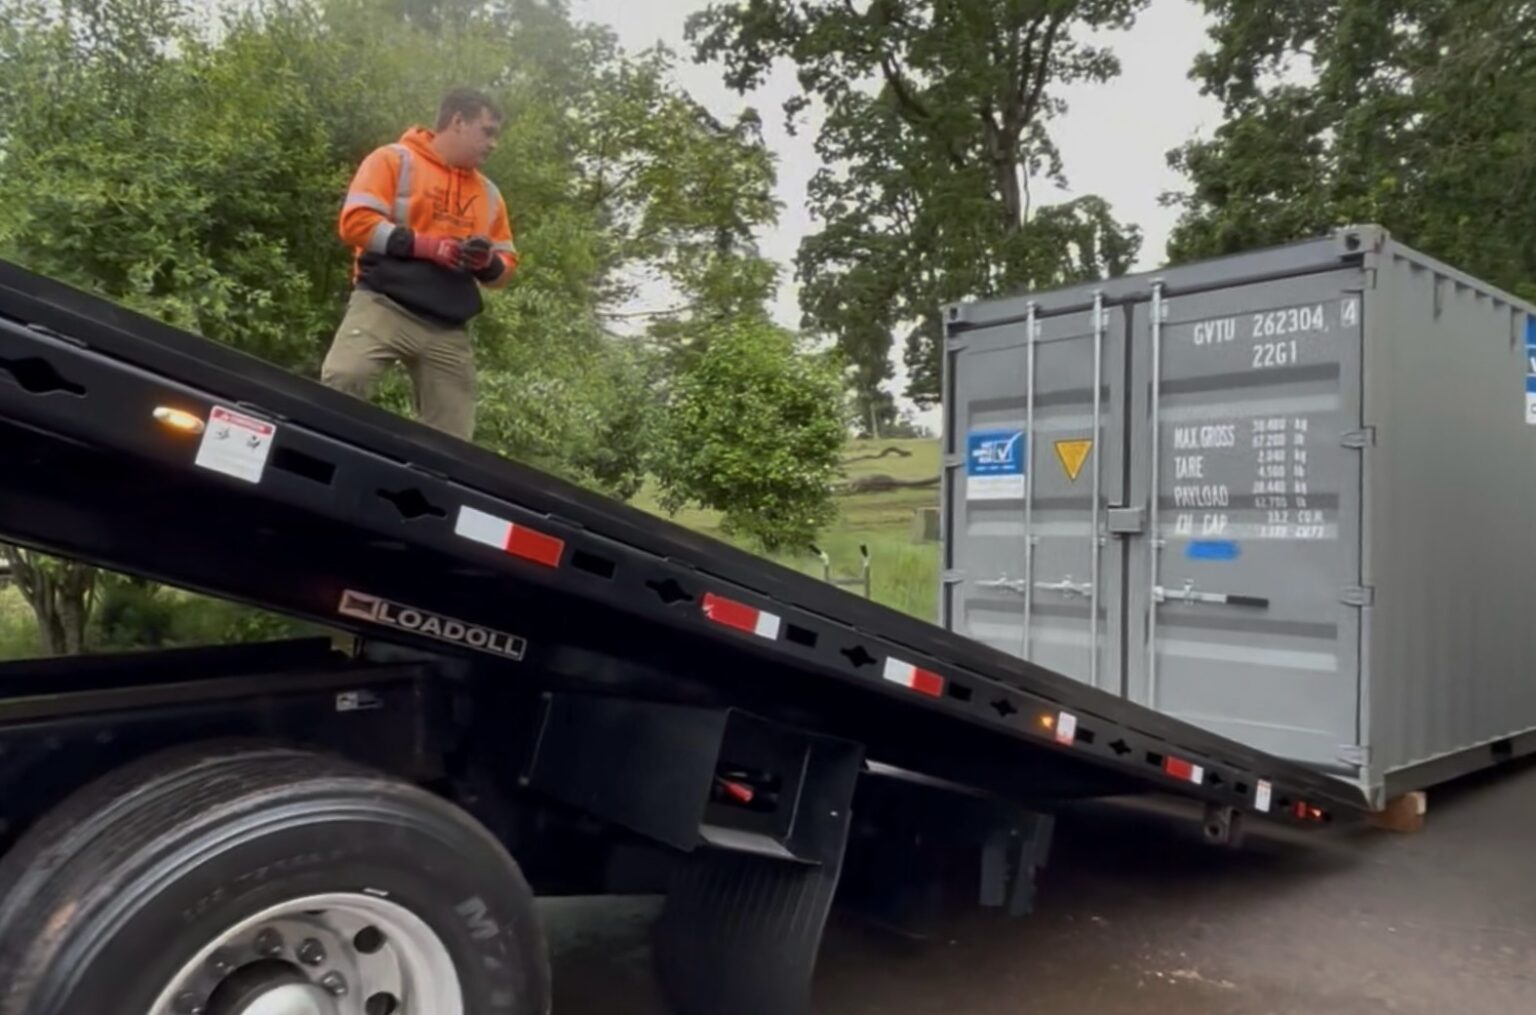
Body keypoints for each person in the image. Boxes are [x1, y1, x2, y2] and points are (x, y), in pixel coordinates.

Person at [321, 87, 518, 440]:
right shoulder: (393, 160)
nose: (493, 144)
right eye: (487, 132)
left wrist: (486, 263)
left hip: (446, 326)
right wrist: (423, 245)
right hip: (384, 303)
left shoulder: (489, 194)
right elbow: (355, 223)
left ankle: (422, 492)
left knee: (455, 436)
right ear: (458, 122)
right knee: (344, 379)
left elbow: (505, 268)